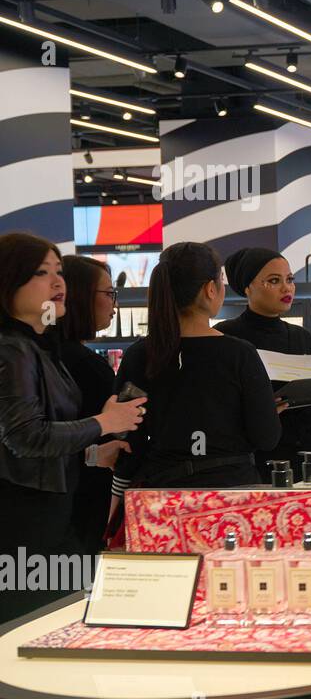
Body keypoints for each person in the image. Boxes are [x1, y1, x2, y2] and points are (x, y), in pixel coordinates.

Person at [0, 233, 144, 624]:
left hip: (49, 516)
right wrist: (103, 423)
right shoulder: (12, 349)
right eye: (42, 273)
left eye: (59, 271)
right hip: (26, 525)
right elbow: (24, 437)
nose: (57, 282)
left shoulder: (35, 346)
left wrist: (93, 452)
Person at [111, 242, 281, 505]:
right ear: (210, 289)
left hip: (163, 498)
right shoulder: (240, 353)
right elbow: (267, 437)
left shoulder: (140, 354)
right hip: (233, 495)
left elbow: (126, 440)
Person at [215, 247, 311, 481]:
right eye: (274, 281)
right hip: (251, 464)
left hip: (303, 462)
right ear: (248, 287)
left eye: (290, 279)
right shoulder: (225, 337)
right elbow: (218, 408)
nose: (287, 288)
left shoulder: (302, 337)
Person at [55, 255, 124, 554]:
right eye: (109, 294)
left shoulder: (42, 354)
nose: (114, 303)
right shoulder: (86, 366)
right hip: (78, 508)